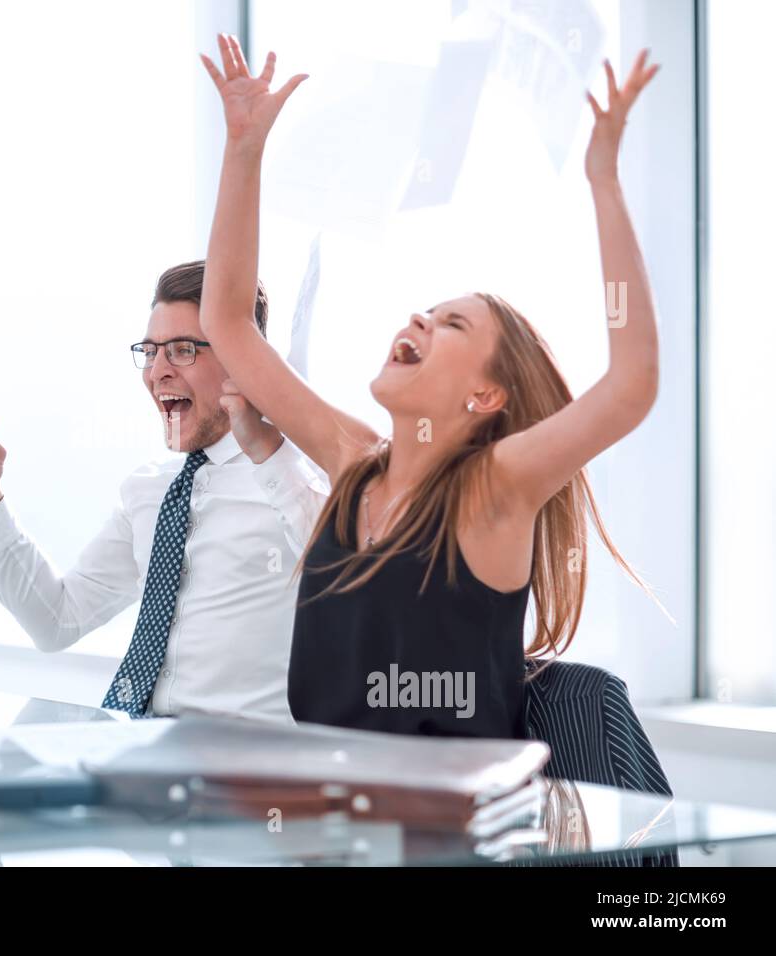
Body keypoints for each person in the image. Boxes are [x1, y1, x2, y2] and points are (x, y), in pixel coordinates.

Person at [197, 34, 661, 738]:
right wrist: (243, 150)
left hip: (452, 834)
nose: (419, 317)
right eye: (428, 310)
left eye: (452, 326)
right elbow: (228, 322)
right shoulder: (354, 463)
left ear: (487, 398)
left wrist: (603, 181)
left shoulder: (494, 490)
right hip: (330, 816)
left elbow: (631, 385)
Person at [0, 260, 327, 722]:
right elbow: (57, 621)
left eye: (183, 350)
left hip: (248, 768)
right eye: (150, 350)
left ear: (245, 359)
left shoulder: (296, 481)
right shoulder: (149, 490)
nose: (157, 372)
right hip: (141, 750)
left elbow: (349, 563)